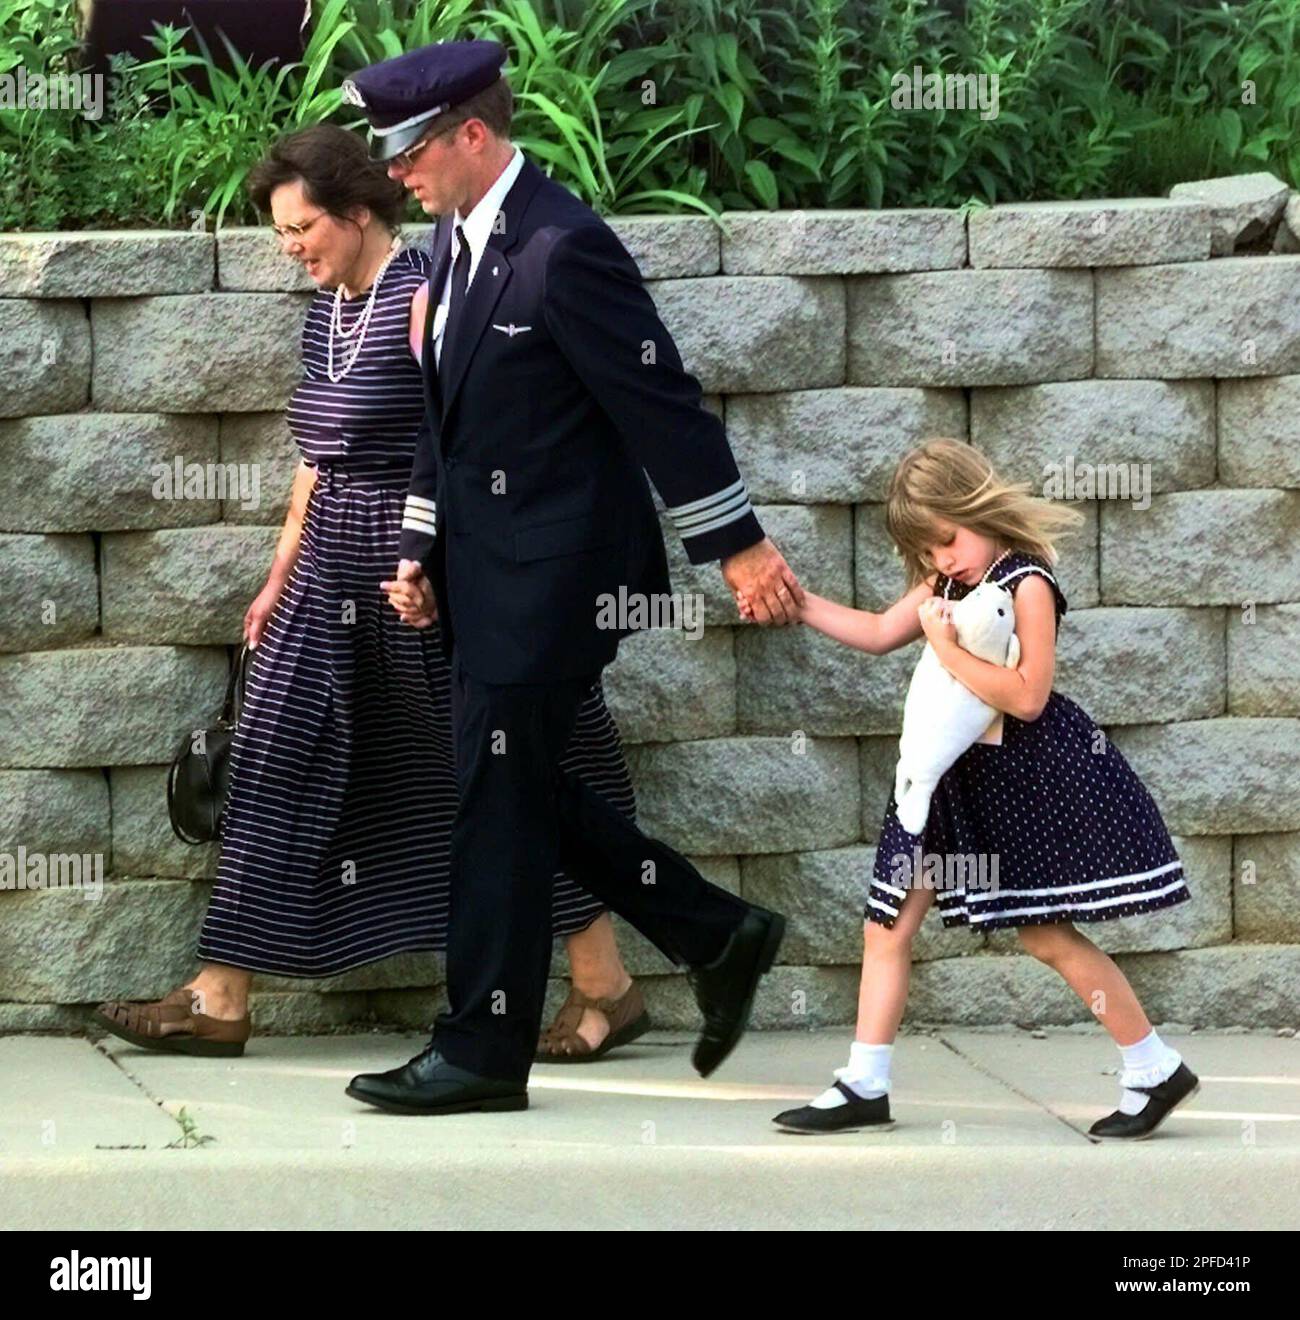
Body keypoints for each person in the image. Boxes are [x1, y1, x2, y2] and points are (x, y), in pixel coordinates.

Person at [92, 124, 650, 1063]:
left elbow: (474, 437)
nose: (290, 246)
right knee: (268, 760)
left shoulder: (428, 292)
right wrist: (277, 579)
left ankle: (608, 986)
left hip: (422, 576)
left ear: (358, 214)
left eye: (301, 226)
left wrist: (438, 560)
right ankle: (220, 994)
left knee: (515, 776)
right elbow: (316, 458)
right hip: (328, 575)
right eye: (279, 231)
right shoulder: (328, 310)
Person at [341, 39, 800, 1117]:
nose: (395, 173)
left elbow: (662, 406)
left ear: (471, 134)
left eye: (409, 151)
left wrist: (736, 545)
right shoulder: (457, 240)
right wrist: (416, 549)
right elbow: (441, 424)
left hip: (555, 578)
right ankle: (715, 933)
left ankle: (480, 1053)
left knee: (494, 808)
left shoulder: (564, 247)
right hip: (482, 573)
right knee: (512, 791)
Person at [758, 438, 1200, 1141]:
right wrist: (799, 599)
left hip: (1021, 776)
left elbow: (1028, 697)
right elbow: (877, 632)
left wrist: (946, 649)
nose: (942, 560)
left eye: (948, 540)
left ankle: (1153, 1067)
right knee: (888, 922)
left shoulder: (1026, 582)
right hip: (943, 778)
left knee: (1046, 934)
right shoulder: (944, 587)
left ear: (977, 505)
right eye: (928, 552)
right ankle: (863, 1083)